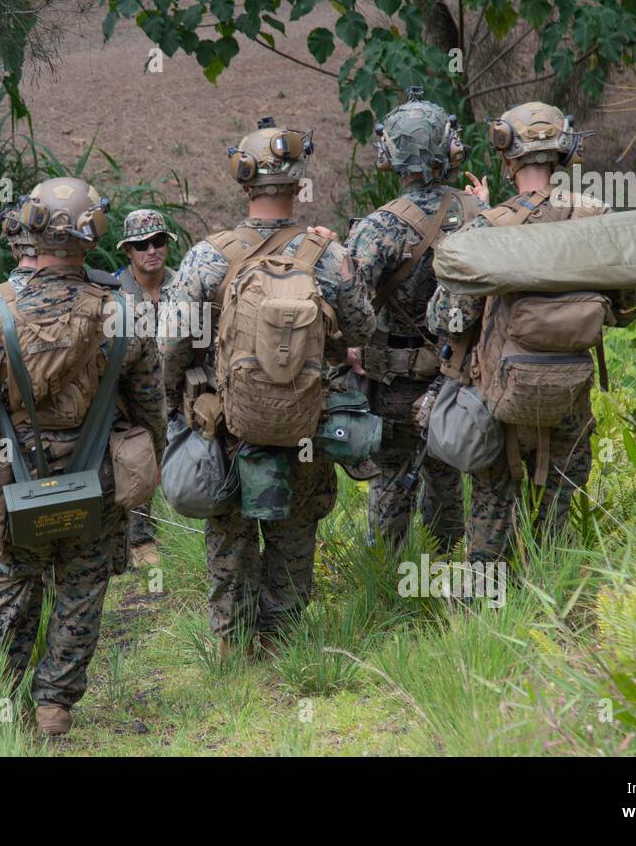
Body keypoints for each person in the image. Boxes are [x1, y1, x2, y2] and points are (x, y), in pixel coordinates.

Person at [0, 176, 164, 736]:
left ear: (32, 229)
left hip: (17, 481)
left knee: (9, 585)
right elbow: (149, 412)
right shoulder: (124, 311)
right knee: (83, 588)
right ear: (94, 234)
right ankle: (54, 706)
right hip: (98, 480)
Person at [161, 117, 377, 658]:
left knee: (229, 531)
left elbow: (171, 348)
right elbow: (365, 330)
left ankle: (232, 648)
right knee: (295, 528)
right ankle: (285, 643)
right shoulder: (326, 254)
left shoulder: (208, 256)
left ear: (243, 180)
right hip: (304, 420)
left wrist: (176, 404)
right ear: (297, 181)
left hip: (229, 422)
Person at [426, 101, 636, 562]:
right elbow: (627, 310)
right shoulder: (597, 218)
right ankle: (552, 611)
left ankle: (483, 617)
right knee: (555, 526)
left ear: (508, 157)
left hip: (501, 402)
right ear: (563, 154)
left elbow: (449, 318)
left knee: (488, 527)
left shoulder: (486, 227)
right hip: (570, 398)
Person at [344, 88, 483, 549]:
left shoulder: (378, 227)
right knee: (446, 472)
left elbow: (350, 307)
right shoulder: (478, 214)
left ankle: (386, 576)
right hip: (458, 376)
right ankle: (447, 558)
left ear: (391, 156)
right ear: (450, 148)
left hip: (396, 381)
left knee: (391, 478)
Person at [113, 208, 177, 568]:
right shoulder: (114, 294)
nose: (151, 250)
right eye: (141, 245)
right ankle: (138, 541)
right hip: (131, 401)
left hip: (181, 395)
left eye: (158, 242)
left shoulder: (185, 286)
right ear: (128, 251)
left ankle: (186, 525)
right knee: (136, 466)